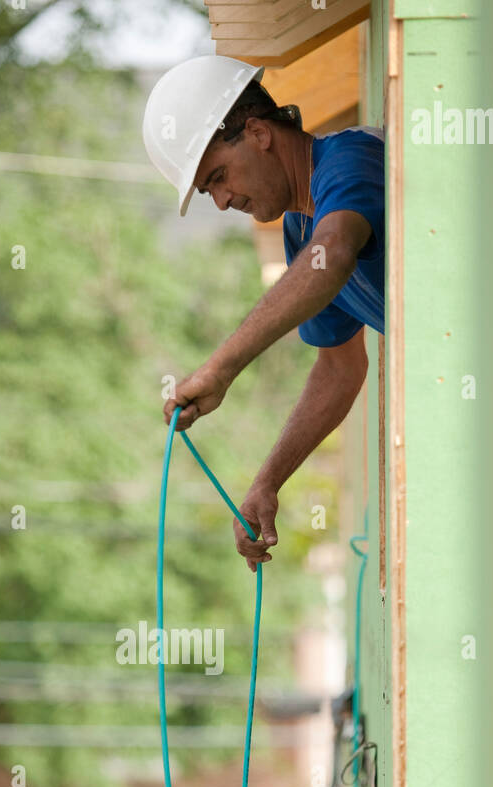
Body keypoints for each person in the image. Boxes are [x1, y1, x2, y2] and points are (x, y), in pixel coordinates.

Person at [143, 56, 384, 571]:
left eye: (219, 177)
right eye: (210, 191)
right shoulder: (300, 234)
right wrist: (267, 482)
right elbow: (341, 368)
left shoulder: (350, 158)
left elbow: (337, 250)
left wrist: (221, 368)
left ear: (257, 133)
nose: (224, 200)